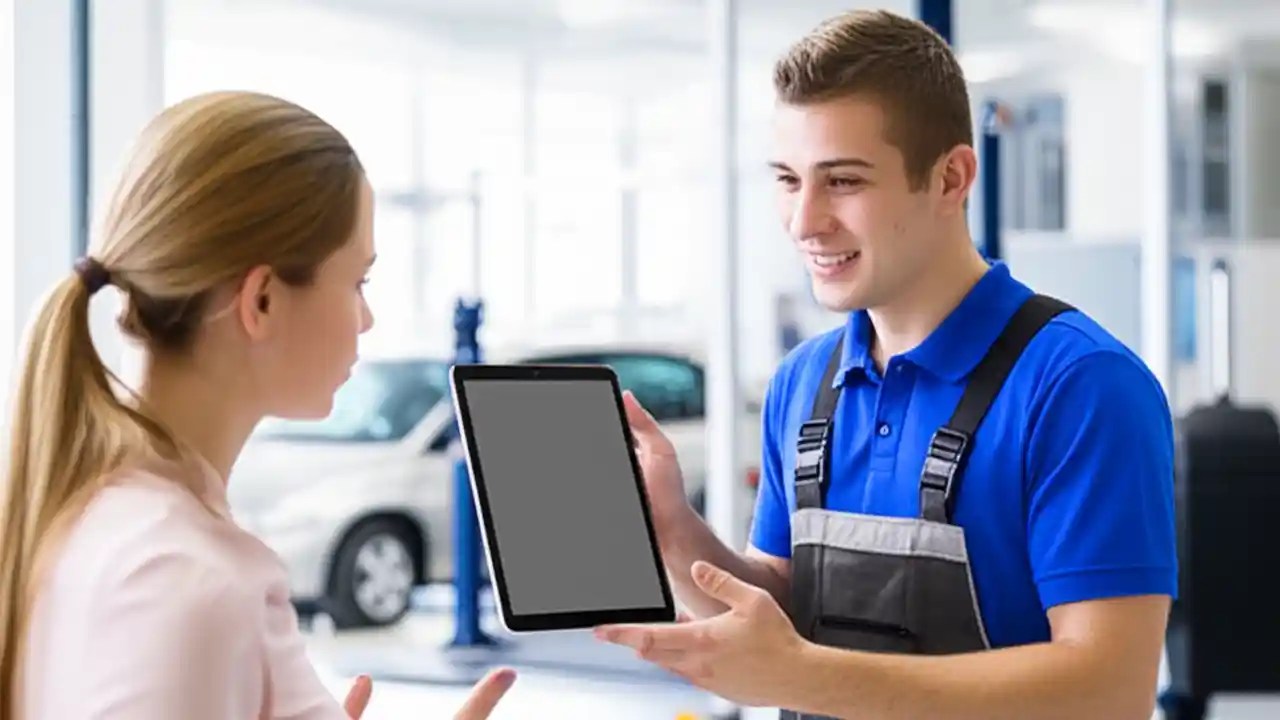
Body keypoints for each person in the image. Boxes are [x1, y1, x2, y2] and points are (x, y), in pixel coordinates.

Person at [596, 9, 1177, 720]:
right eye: (788, 178)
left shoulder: (1080, 387)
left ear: (950, 178)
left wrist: (802, 678)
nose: (804, 221)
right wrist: (670, 529)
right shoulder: (802, 383)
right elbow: (785, 611)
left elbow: (1108, 689)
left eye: (842, 181)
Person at [0, 91, 515, 719]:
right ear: (262, 300)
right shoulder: (193, 579)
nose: (367, 317)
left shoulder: (83, 522)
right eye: (358, 282)